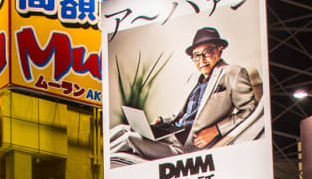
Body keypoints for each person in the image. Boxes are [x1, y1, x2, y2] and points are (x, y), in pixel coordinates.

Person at [108, 26, 258, 161]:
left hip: (182, 146)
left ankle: (100, 162)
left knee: (129, 138)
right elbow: (179, 115)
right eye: (196, 55)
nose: (201, 60)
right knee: (122, 128)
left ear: (220, 50)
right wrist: (162, 120)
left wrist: (215, 130)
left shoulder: (233, 72)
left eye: (208, 52)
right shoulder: (193, 78)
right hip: (168, 132)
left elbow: (249, 109)